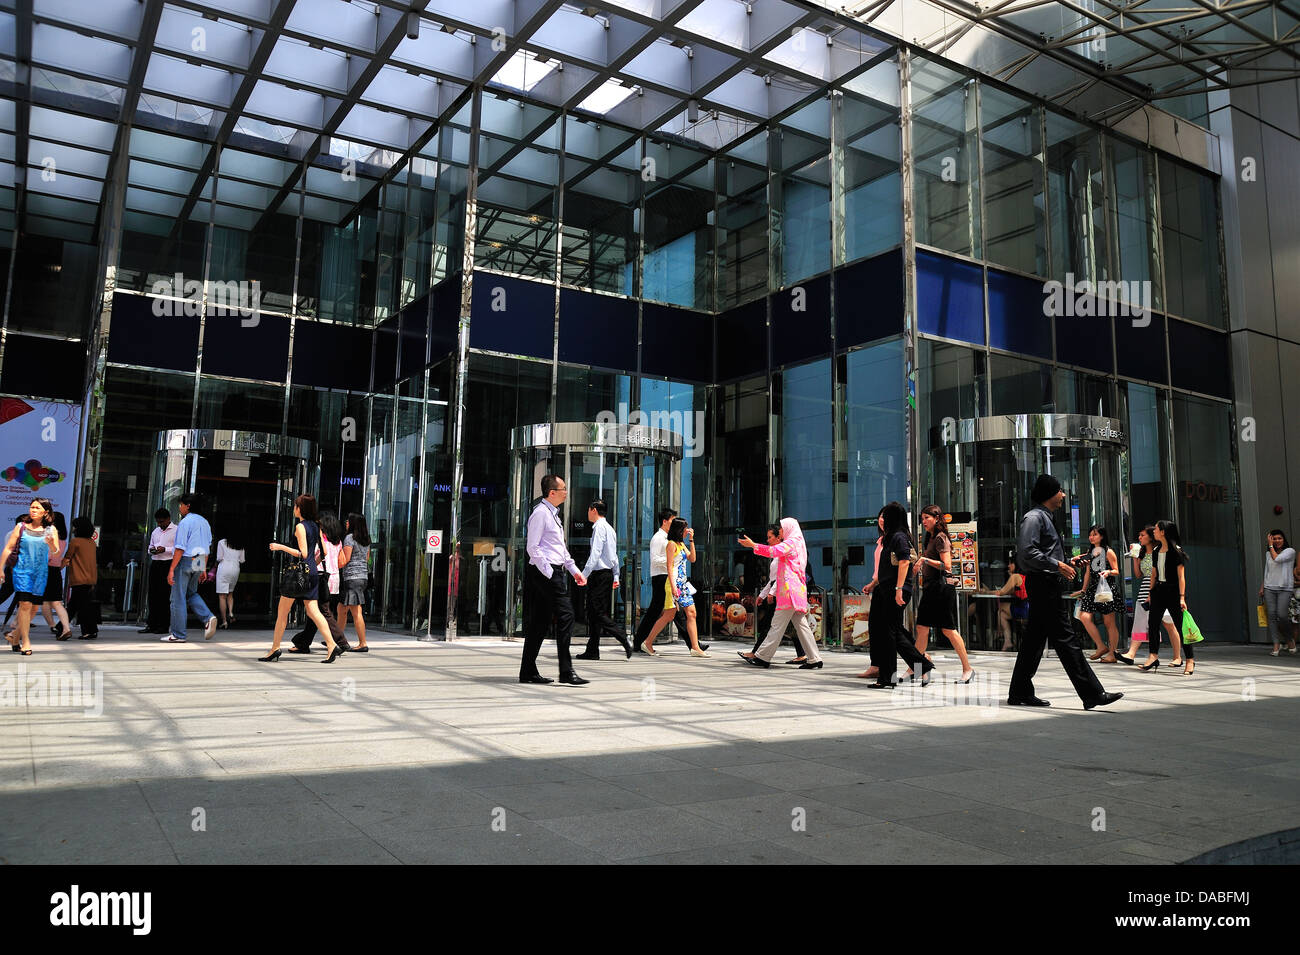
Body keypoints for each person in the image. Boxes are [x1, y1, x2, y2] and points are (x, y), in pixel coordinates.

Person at [1011, 475, 1122, 709]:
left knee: (1033, 641)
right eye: (1060, 491)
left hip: (1046, 582)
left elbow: (1041, 552)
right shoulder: (1034, 518)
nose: (1063, 495)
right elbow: (1026, 552)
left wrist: (1067, 561)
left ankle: (1019, 691)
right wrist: (1057, 565)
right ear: (1050, 493)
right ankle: (1092, 694)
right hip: (1043, 584)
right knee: (1066, 638)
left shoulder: (1046, 518)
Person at [520, 474, 589, 685]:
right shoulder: (540, 514)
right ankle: (566, 671)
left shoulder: (554, 515)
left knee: (539, 623)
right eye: (563, 489)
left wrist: (575, 571)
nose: (566, 492)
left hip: (552, 571)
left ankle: (528, 671)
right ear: (552, 493)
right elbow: (533, 547)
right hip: (545, 573)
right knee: (567, 615)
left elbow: (561, 550)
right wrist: (550, 572)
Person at [260, 494, 342, 663]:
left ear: (300, 509)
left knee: (282, 613)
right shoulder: (316, 526)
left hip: (298, 576)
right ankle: (332, 645)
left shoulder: (300, 527)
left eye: (296, 505)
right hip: (312, 573)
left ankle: (275, 648)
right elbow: (324, 553)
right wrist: (313, 565)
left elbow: (303, 554)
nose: (294, 508)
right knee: (314, 611)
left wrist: (280, 546)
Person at [737, 517, 822, 669]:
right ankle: (814, 658)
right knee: (801, 625)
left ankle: (763, 656)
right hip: (796, 591)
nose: (781, 531)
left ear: (789, 528)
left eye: (782, 529)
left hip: (788, 591)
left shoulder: (791, 542)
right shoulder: (798, 543)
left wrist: (753, 545)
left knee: (777, 625)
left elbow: (773, 551)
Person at [862, 502, 930, 688]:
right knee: (890, 633)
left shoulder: (899, 537)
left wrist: (899, 590)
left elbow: (904, 563)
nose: (882, 519)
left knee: (890, 634)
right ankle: (914, 667)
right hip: (887, 589)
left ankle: (896, 674)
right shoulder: (892, 537)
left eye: (886, 516)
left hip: (894, 590)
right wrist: (874, 584)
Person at [914, 505, 975, 684]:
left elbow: (947, 565)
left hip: (941, 588)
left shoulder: (940, 538)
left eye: (927, 518)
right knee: (922, 628)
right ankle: (917, 667)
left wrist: (924, 559)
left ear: (937, 518)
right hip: (931, 588)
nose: (923, 521)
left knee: (948, 630)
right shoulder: (931, 537)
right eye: (922, 518)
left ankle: (968, 669)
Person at [640, 518, 710, 657]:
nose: (687, 530)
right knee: (668, 615)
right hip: (674, 584)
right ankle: (647, 642)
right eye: (685, 528)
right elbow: (669, 567)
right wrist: (673, 587)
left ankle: (695, 647)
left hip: (683, 584)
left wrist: (691, 540)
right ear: (679, 530)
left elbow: (693, 559)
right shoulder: (671, 544)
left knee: (691, 613)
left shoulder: (681, 544)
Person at [0, 499, 60, 655]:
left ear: (45, 512)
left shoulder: (51, 529)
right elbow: (8, 548)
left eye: (37, 508)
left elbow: (55, 552)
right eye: (31, 507)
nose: (33, 510)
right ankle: (26, 642)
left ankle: (14, 636)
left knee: (34, 608)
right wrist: (1, 569)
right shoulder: (20, 527)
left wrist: (51, 543)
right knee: (25, 604)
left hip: (40, 573)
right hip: (22, 571)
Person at [630, 508, 693, 652]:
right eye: (672, 520)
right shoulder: (659, 538)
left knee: (672, 612)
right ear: (665, 521)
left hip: (668, 576)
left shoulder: (671, 539)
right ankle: (693, 644)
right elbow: (655, 559)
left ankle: (693, 644)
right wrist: (671, 560)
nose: (675, 523)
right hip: (661, 577)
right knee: (665, 612)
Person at [576, 499, 632, 660]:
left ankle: (622, 636)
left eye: (588, 509)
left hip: (599, 575)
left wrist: (583, 574)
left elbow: (596, 553)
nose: (587, 513)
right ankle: (592, 650)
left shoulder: (600, 528)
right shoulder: (609, 528)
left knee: (597, 612)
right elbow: (613, 555)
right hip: (605, 575)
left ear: (593, 510)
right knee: (593, 613)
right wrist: (615, 574)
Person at [1138, 520, 1195, 676]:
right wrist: (1150, 593)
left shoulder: (1176, 551)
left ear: (1163, 532)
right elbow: (1154, 575)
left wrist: (1182, 598)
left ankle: (1189, 659)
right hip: (1158, 591)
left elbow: (1181, 577)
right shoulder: (1156, 551)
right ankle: (1153, 656)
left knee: (1180, 626)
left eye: (1156, 529)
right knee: (1153, 623)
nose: (1154, 531)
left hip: (1173, 591)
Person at [744, 524, 806, 664]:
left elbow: (783, 576)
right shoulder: (782, 551)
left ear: (779, 537)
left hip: (784, 593)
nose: (768, 540)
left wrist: (771, 593)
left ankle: (759, 655)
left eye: (770, 537)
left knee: (773, 625)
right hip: (782, 591)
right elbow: (774, 579)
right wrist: (763, 594)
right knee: (796, 626)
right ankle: (809, 656)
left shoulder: (787, 549)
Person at [1119, 526, 1180, 665]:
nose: (1139, 538)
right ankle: (1131, 654)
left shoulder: (1158, 552)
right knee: (1141, 622)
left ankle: (1178, 657)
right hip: (1144, 589)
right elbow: (1138, 575)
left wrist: (1153, 593)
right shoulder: (1142, 553)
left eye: (1142, 535)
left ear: (1150, 537)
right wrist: (1135, 558)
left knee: (1169, 624)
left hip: (1158, 590)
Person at [291, 510, 349, 653]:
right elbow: (340, 561)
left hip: (322, 577)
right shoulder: (338, 541)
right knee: (316, 612)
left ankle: (341, 642)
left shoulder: (320, 540)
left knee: (323, 611)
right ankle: (303, 643)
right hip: (334, 578)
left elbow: (313, 557)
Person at [165, 493, 218, 642]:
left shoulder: (185, 522)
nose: (180, 508)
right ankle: (208, 617)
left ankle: (178, 634)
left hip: (186, 559)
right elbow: (207, 546)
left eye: (181, 505)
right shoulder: (204, 522)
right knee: (190, 593)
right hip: (200, 559)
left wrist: (171, 569)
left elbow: (180, 548)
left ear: (187, 506)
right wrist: (203, 569)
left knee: (178, 597)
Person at [1071, 525, 1121, 663]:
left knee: (1109, 622)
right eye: (1090, 534)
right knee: (1084, 616)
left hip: (1106, 588)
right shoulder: (1091, 551)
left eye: (1095, 534)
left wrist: (1109, 572)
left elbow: (1117, 570)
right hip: (1092, 589)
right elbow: (1087, 573)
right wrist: (1083, 589)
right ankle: (1101, 646)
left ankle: (1112, 653)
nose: (1091, 537)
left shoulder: (1108, 551)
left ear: (1102, 536)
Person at [1259, 529, 1297, 656]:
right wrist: (1262, 587)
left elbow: (1277, 559)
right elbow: (1267, 571)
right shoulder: (1268, 554)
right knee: (1271, 616)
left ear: (1284, 539)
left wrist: (1270, 545)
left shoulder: (1290, 551)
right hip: (1270, 587)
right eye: (1274, 539)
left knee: (1282, 615)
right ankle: (1276, 643)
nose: (1276, 541)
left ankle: (1289, 639)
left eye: (1279, 538)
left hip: (1284, 588)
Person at [338, 513, 371, 652]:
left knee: (356, 612)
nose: (346, 523)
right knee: (341, 609)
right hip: (362, 577)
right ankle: (336, 639)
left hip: (352, 578)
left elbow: (344, 560)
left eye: (348, 521)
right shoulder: (366, 540)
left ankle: (363, 643)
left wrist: (338, 551)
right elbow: (367, 559)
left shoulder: (349, 538)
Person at [141, 508, 176, 635]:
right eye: (158, 522)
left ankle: (163, 625)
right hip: (156, 563)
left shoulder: (176, 530)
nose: (160, 524)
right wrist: (153, 550)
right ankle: (151, 624)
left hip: (168, 564)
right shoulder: (155, 531)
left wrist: (164, 549)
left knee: (164, 595)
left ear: (168, 519)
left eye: (162, 522)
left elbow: (178, 548)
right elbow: (150, 546)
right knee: (153, 594)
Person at [63, 516, 99, 640]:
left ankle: (88, 631)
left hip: (79, 578)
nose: (73, 529)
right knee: (76, 604)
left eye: (75, 526)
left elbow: (68, 557)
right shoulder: (92, 543)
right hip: (90, 578)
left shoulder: (75, 542)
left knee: (82, 606)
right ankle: (61, 626)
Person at [39, 511, 71, 639]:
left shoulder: (50, 534)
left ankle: (52, 625)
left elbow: (48, 556)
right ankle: (66, 628)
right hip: (56, 571)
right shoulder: (63, 539)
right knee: (57, 602)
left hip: (45, 569)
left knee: (42, 602)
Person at [214, 532, 245, 629]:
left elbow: (219, 558)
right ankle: (231, 612)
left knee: (222, 596)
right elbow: (242, 560)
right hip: (235, 569)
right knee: (230, 594)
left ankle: (224, 621)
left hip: (224, 568)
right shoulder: (240, 544)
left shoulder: (221, 542)